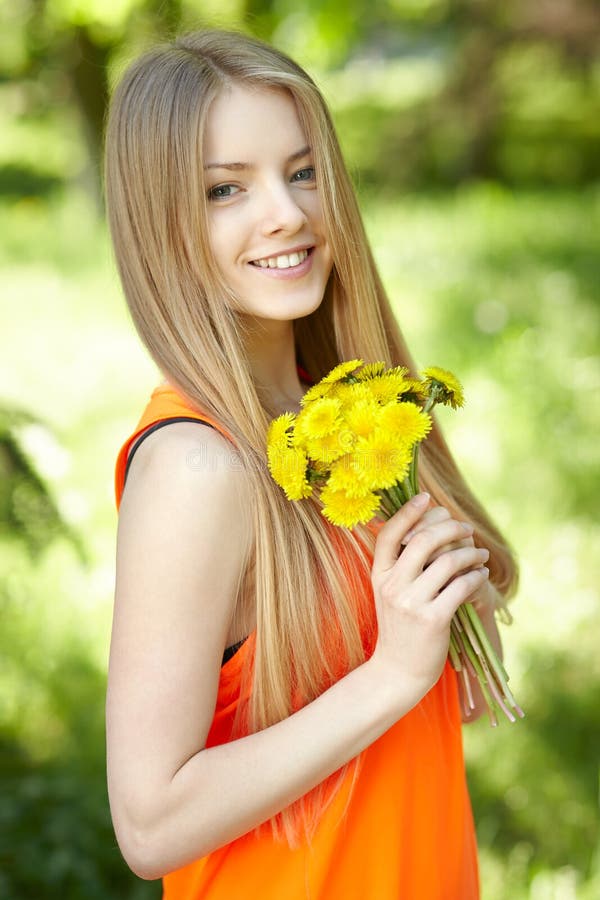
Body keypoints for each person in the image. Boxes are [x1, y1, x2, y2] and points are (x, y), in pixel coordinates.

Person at [104, 28, 517, 899]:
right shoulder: (198, 466)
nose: (287, 213)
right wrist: (394, 675)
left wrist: (447, 620)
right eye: (225, 189)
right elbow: (150, 823)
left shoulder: (334, 412)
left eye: (302, 172)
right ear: (159, 224)